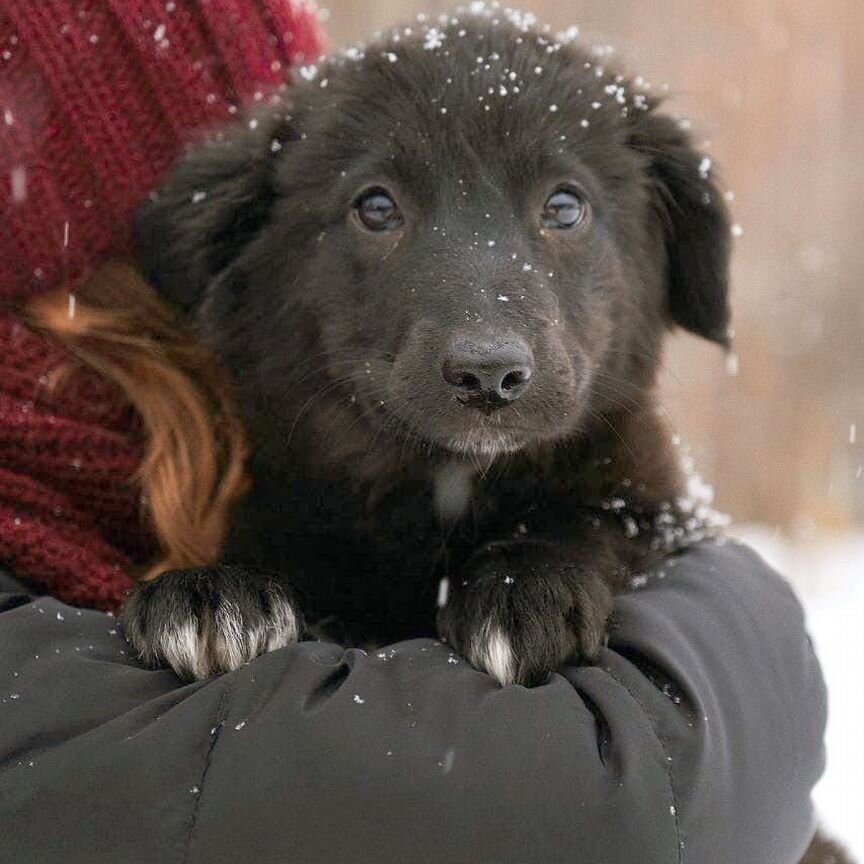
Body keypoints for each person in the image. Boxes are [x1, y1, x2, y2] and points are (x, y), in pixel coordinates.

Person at [0, 3, 836, 863]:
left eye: (563, 208)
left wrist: (584, 556)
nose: (488, 338)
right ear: (243, 252)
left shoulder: (641, 527)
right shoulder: (196, 546)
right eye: (378, 207)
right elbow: (610, 802)